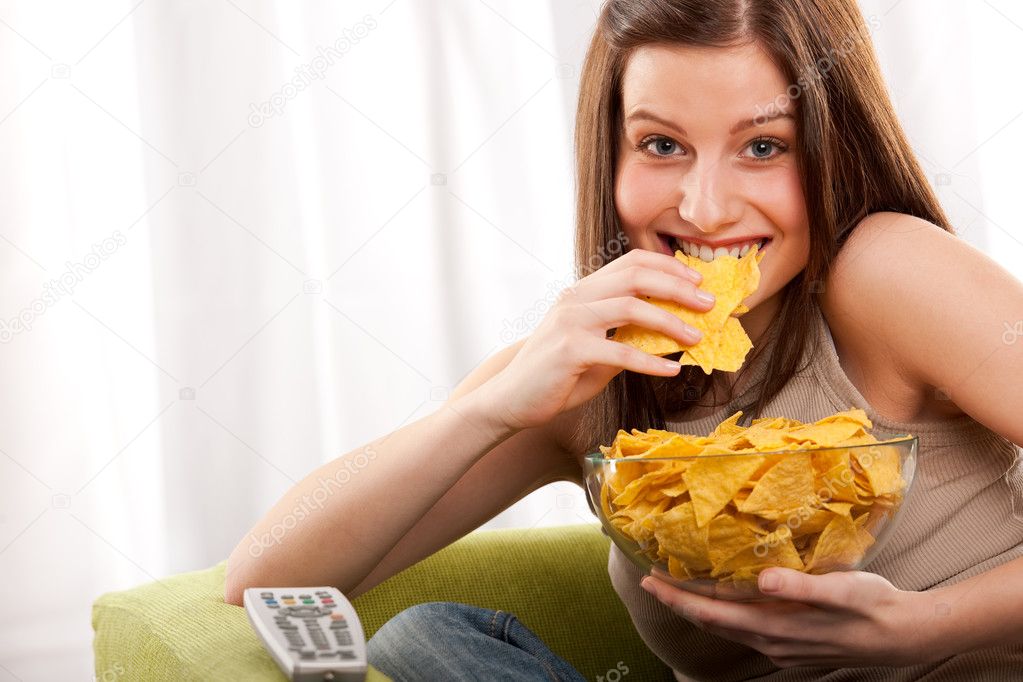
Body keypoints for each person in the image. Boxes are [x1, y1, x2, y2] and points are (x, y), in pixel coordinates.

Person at [224, 0, 1023, 679]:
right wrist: (493, 409)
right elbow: (267, 577)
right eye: (661, 145)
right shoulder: (588, 377)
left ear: (830, 145)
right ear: (610, 153)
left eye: (762, 147)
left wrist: (927, 625)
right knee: (424, 640)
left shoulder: (884, 272)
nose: (704, 209)